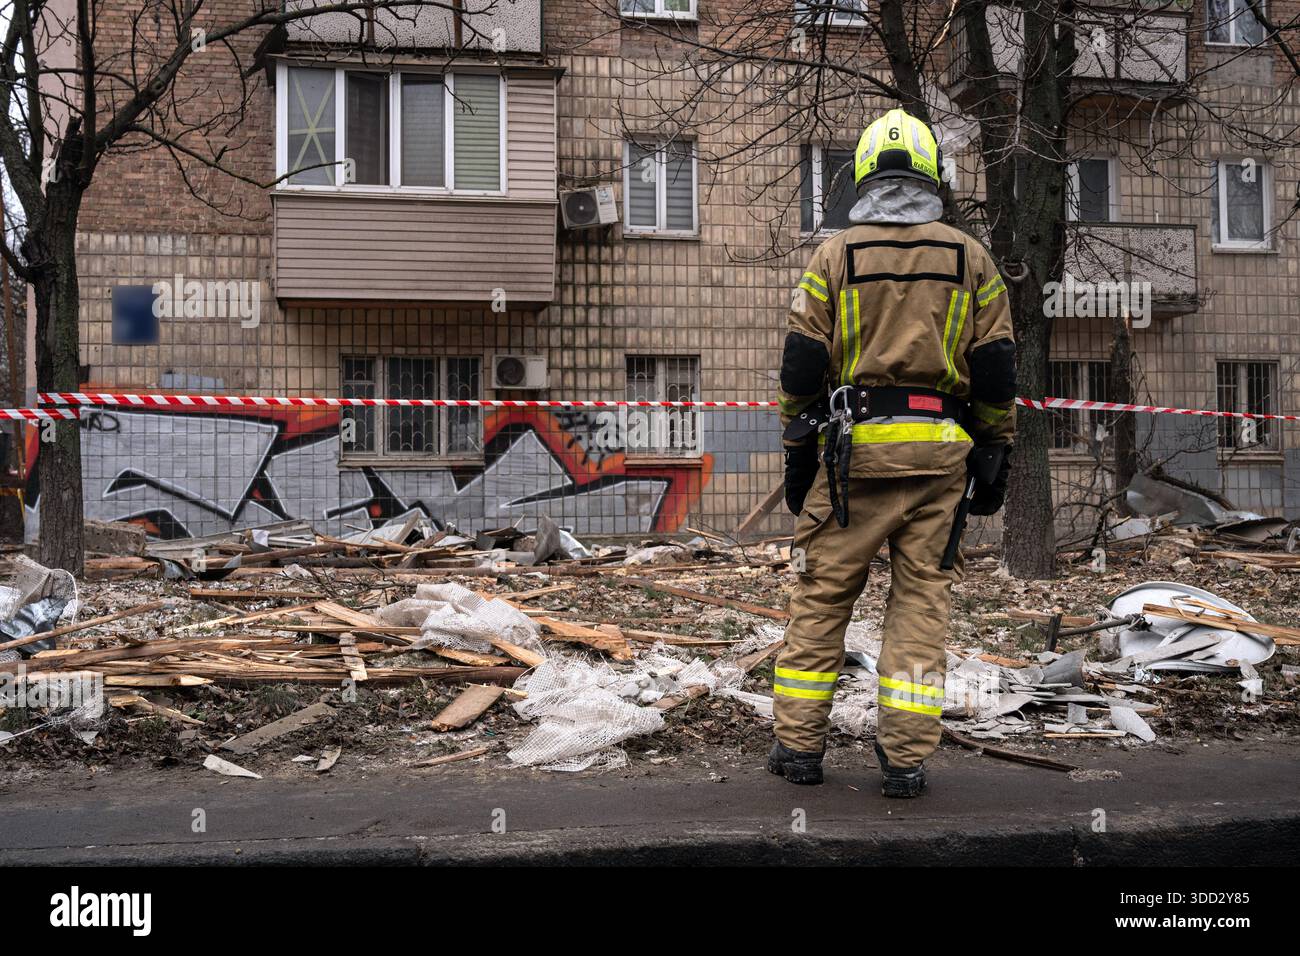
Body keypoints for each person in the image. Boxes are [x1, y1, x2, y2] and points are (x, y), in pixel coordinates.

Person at [769, 107, 1016, 798]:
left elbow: (800, 367)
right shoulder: (972, 259)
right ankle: (905, 761)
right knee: (919, 608)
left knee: (821, 602)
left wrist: (797, 449)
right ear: (934, 174)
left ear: (865, 175)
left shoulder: (834, 256)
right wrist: (994, 451)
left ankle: (798, 752)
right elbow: (996, 369)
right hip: (939, 464)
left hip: (851, 468)